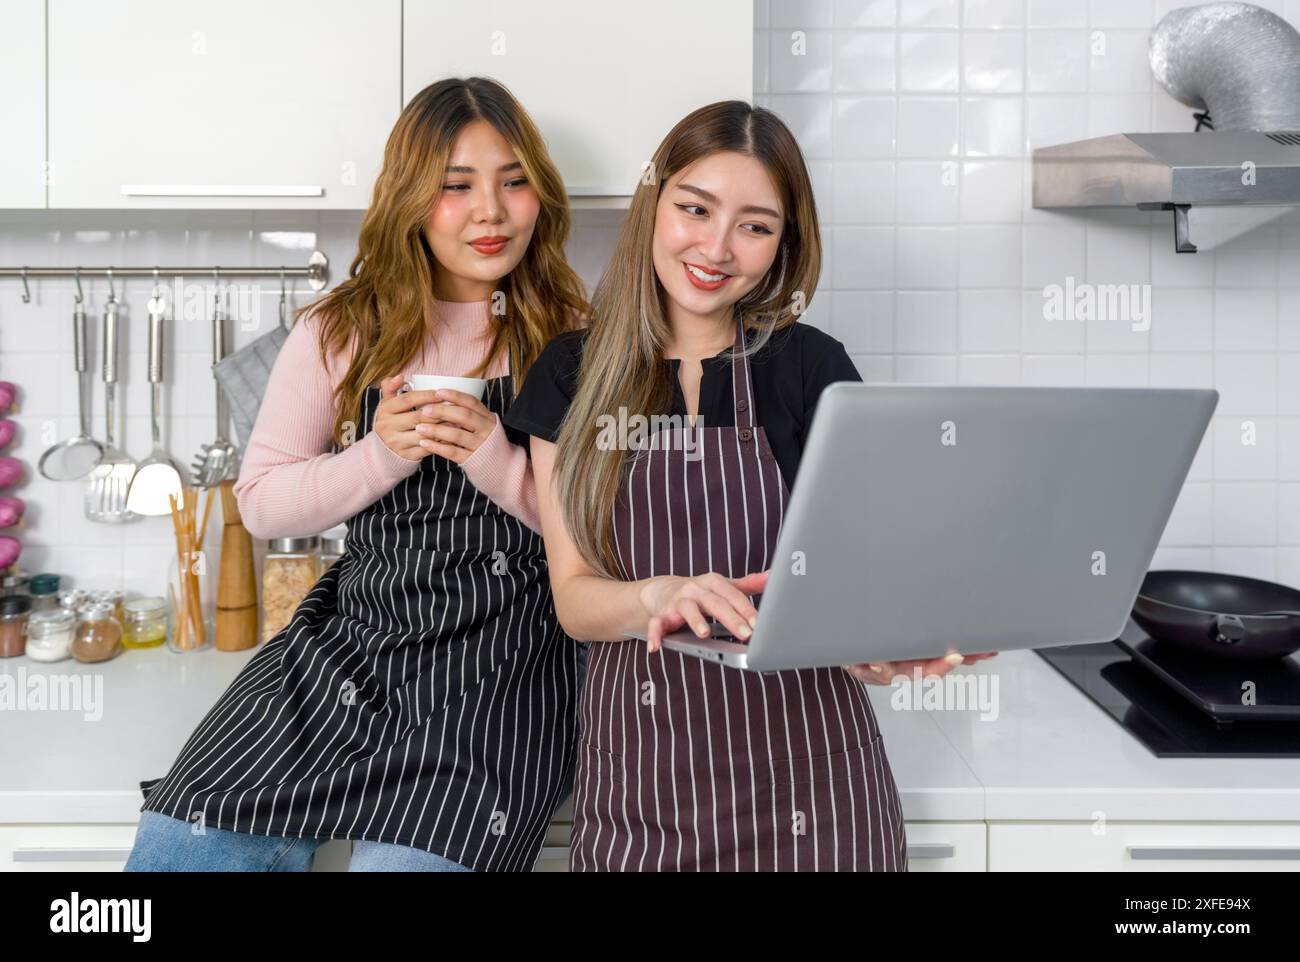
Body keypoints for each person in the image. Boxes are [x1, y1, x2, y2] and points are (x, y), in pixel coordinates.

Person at [500, 100, 995, 872]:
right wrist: (655, 597)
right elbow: (574, 600)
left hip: (817, 784)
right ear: (653, 202)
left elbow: (862, 578)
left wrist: (882, 647)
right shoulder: (568, 374)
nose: (718, 248)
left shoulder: (812, 368)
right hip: (644, 787)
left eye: (755, 226)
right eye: (695, 209)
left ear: (782, 245)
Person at [125, 77, 588, 872]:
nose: (492, 211)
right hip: (350, 650)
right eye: (456, 186)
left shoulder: (575, 335)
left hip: (501, 676)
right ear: (411, 196)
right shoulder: (339, 329)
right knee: (181, 845)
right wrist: (379, 456)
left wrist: (493, 459)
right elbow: (265, 503)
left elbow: (606, 536)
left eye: (515, 182)